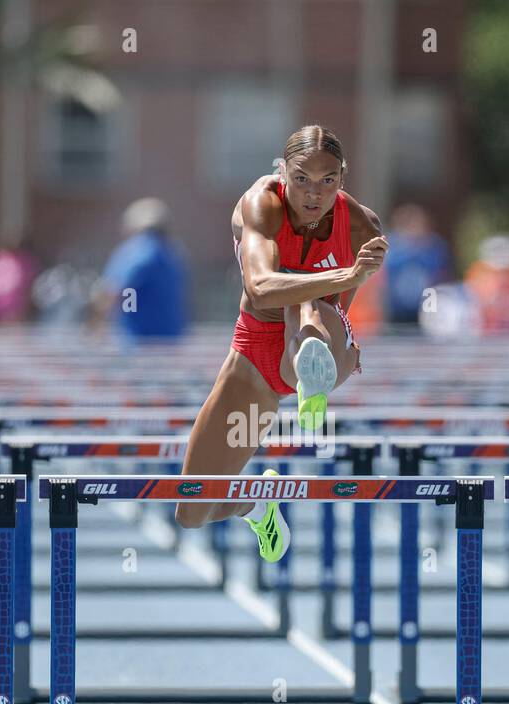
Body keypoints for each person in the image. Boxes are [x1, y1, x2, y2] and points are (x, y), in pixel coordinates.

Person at [174, 125, 386, 561]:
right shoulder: (261, 205)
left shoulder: (362, 227)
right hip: (255, 355)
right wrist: (348, 275)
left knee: (304, 303)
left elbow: (337, 304)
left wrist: (324, 327)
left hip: (324, 338)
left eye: (328, 181)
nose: (314, 194)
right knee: (192, 509)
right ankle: (257, 503)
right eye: (302, 179)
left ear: (342, 179)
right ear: (283, 173)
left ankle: (312, 374)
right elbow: (259, 288)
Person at [88, 198, 188, 340]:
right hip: (172, 344)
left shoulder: (135, 250)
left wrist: (96, 329)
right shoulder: (174, 253)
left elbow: (111, 293)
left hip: (138, 346)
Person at [381, 204, 449, 331]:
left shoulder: (433, 247)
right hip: (396, 307)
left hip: (426, 306)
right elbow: (386, 270)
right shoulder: (392, 247)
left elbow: (439, 274)